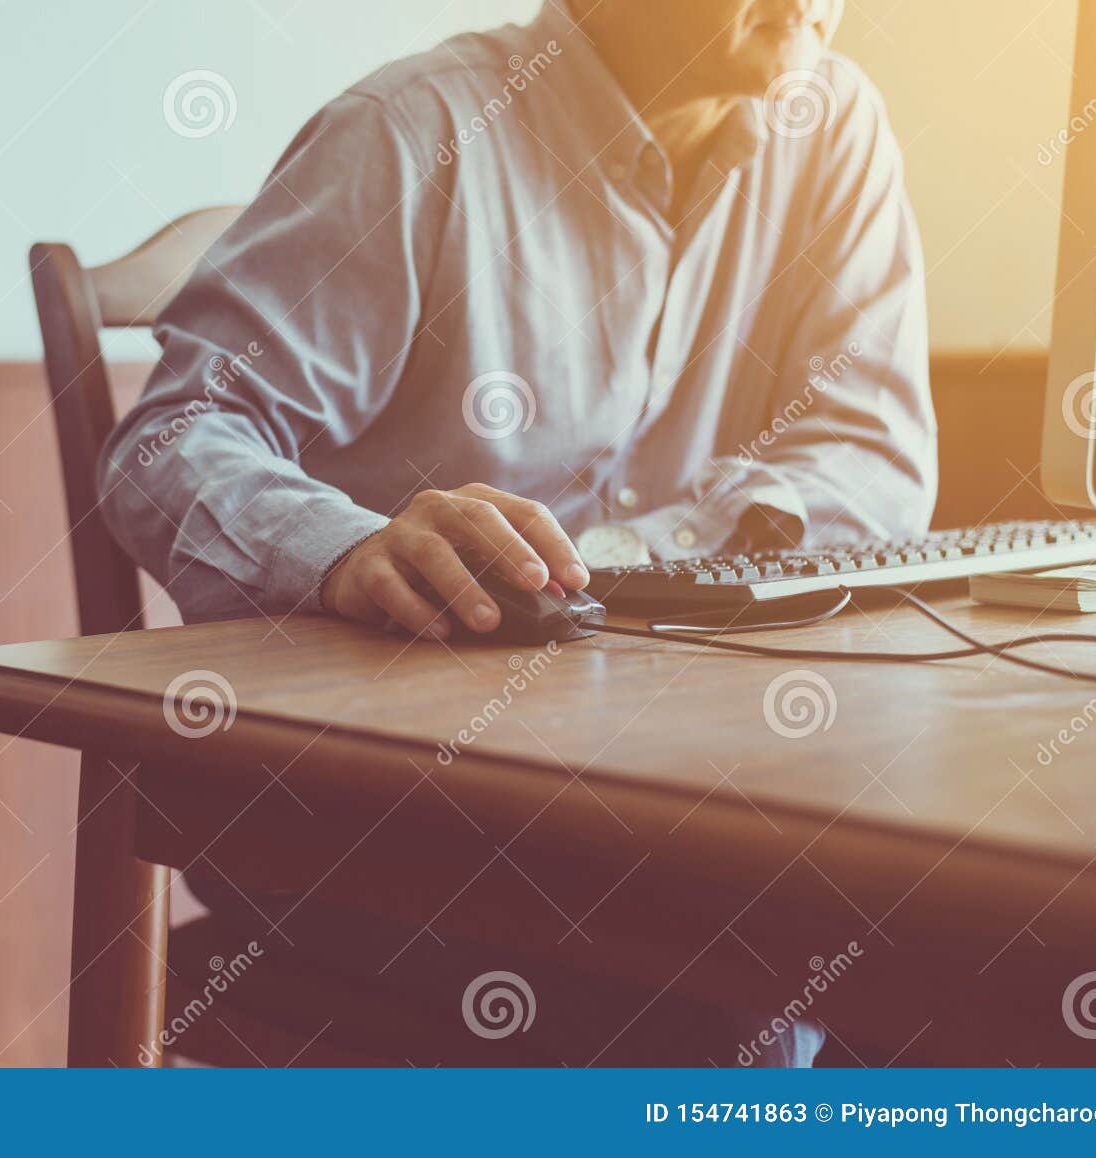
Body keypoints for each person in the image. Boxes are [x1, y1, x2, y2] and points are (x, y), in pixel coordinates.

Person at [102, 0, 930, 1066]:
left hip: (679, 794)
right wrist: (348, 550)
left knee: (971, 959)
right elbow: (168, 442)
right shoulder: (407, 133)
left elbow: (876, 459)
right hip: (367, 814)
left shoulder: (834, 124)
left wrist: (639, 558)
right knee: (740, 996)